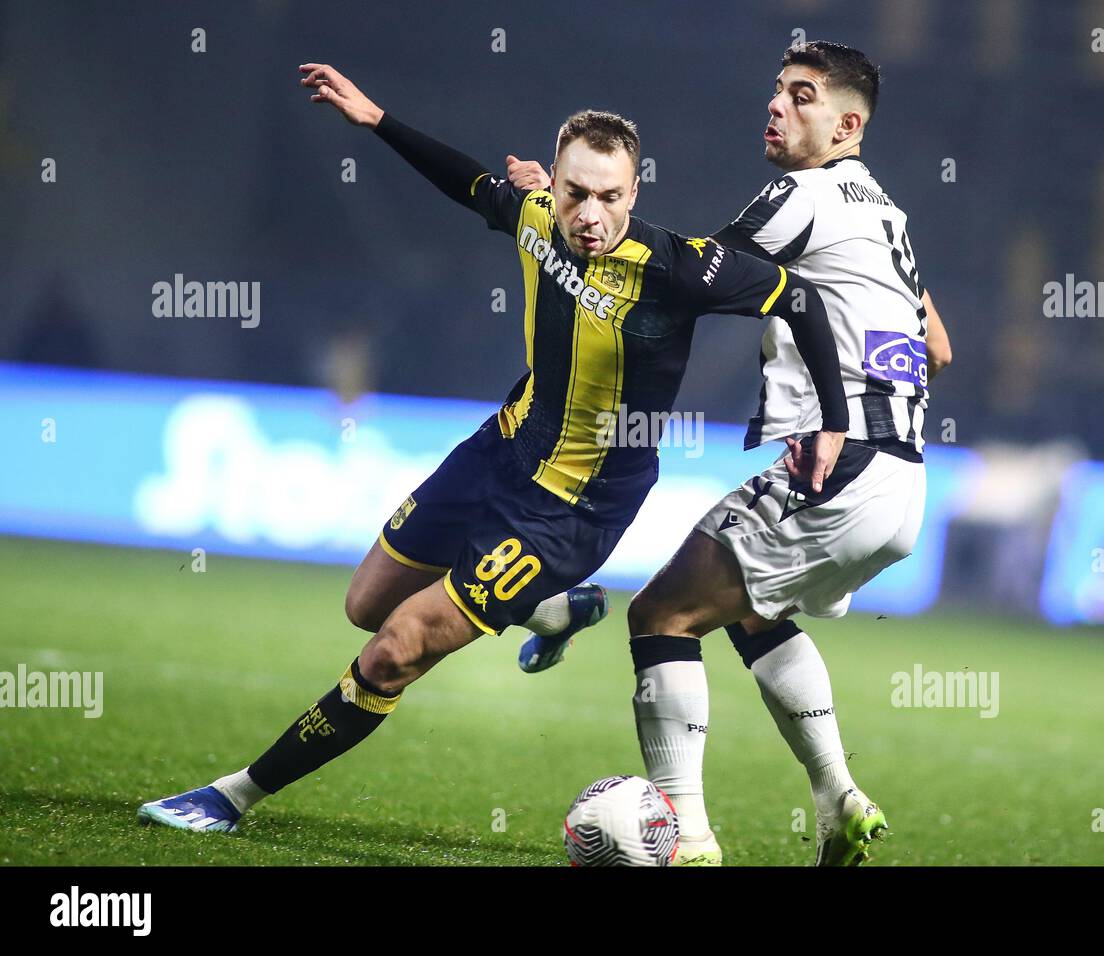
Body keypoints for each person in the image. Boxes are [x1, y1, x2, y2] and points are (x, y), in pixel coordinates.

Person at [135, 61, 850, 834]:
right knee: (365, 604)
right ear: (558, 184)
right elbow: (467, 182)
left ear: (634, 192)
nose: (588, 214)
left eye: (609, 197)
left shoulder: (677, 269)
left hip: (573, 510)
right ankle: (551, 611)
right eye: (575, 193)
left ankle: (234, 796)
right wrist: (377, 120)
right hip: (498, 451)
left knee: (394, 649)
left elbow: (801, 298)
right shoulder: (536, 214)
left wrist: (831, 418)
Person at [511, 41, 952, 866]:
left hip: (841, 463)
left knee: (658, 616)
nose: (778, 106)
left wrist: (567, 209)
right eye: (778, 91)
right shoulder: (888, 216)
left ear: (847, 124)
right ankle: (838, 798)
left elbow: (687, 274)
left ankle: (688, 837)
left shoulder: (806, 192)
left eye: (803, 96)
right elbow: (941, 347)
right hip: (903, 482)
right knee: (754, 609)